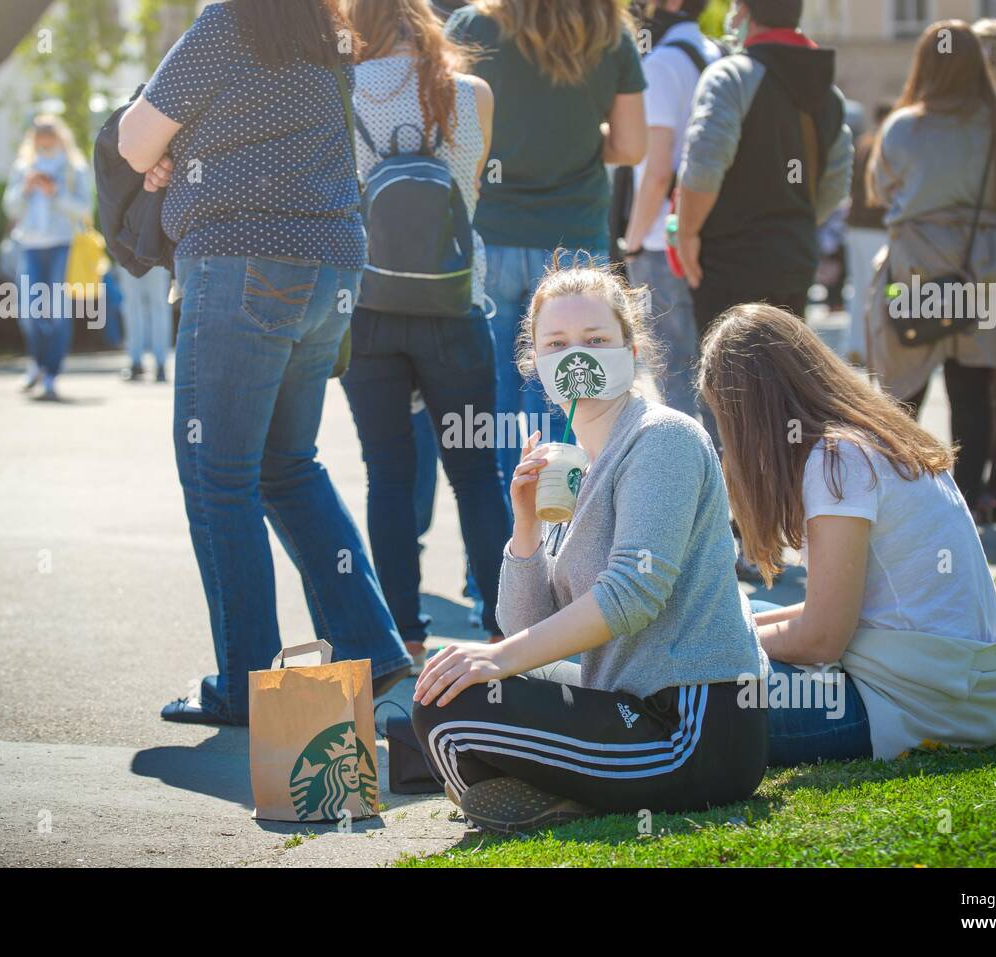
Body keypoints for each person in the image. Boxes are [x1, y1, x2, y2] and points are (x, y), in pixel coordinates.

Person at [118, 0, 413, 725]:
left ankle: (246, 682)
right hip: (332, 270)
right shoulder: (323, 30)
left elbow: (131, 139)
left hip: (242, 262)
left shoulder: (228, 21)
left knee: (219, 476)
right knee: (287, 466)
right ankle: (373, 651)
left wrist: (166, 153)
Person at [411, 262, 769, 833]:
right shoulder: (571, 464)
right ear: (537, 362)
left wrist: (499, 657)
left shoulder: (663, 437)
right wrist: (525, 529)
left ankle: (564, 792)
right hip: (622, 701)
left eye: (596, 340)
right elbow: (530, 626)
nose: (576, 355)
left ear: (629, 347)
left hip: (690, 727)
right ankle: (563, 792)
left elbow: (631, 595)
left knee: (446, 711)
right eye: (557, 343)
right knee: (449, 685)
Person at [699, 303, 996, 767]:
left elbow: (821, 639)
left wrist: (706, 643)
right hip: (943, 683)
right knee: (747, 613)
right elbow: (828, 615)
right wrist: (726, 627)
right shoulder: (864, 439)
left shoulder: (836, 460)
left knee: (693, 693)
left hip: (912, 705)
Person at [336, 0, 512, 663]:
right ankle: (502, 629)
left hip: (369, 307)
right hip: (454, 303)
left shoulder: (339, 90)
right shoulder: (471, 94)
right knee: (476, 474)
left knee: (387, 471)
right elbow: (469, 192)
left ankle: (405, 635)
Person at [445, 0, 649, 487]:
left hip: (488, 235)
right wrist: (577, 133)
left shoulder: (473, 26)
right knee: (566, 402)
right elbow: (631, 145)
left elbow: (449, 129)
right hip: (573, 243)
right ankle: (558, 537)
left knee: (492, 405)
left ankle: (501, 547)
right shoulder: (610, 32)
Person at [863, 20, 996, 525]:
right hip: (980, 266)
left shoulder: (903, 126)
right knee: (974, 391)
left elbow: (879, 190)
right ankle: (969, 504)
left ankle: (904, 498)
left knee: (903, 391)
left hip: (917, 263)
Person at [674, 0, 853, 349]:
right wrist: (794, 221)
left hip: (727, 262)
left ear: (745, 12)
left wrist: (687, 234)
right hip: (793, 259)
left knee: (727, 387)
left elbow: (704, 166)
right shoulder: (829, 95)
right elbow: (835, 184)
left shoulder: (731, 76)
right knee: (781, 386)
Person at [620, 0, 720, 423]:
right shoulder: (714, 54)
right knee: (713, 379)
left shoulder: (661, 64)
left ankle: (686, 482)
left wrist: (633, 240)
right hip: (704, 235)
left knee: (676, 381)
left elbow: (657, 170)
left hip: (662, 244)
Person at [2, 115, 93, 402]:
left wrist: (56, 193)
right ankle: (37, 363)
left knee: (56, 314)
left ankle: (51, 372)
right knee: (29, 312)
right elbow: (10, 207)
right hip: (29, 245)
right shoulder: (23, 167)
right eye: (40, 135)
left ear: (59, 137)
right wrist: (27, 188)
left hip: (61, 245)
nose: (44, 140)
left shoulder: (72, 167)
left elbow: (84, 209)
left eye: (49, 134)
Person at [843, 101, 892, 364]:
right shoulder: (885, 145)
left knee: (858, 287)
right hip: (878, 226)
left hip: (856, 226)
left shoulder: (862, 144)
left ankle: (856, 345)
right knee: (878, 289)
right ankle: (874, 346)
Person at [115, 265, 173, 382]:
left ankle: (148, 362)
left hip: (134, 252)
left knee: (137, 306)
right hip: (150, 254)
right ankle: (155, 363)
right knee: (154, 306)